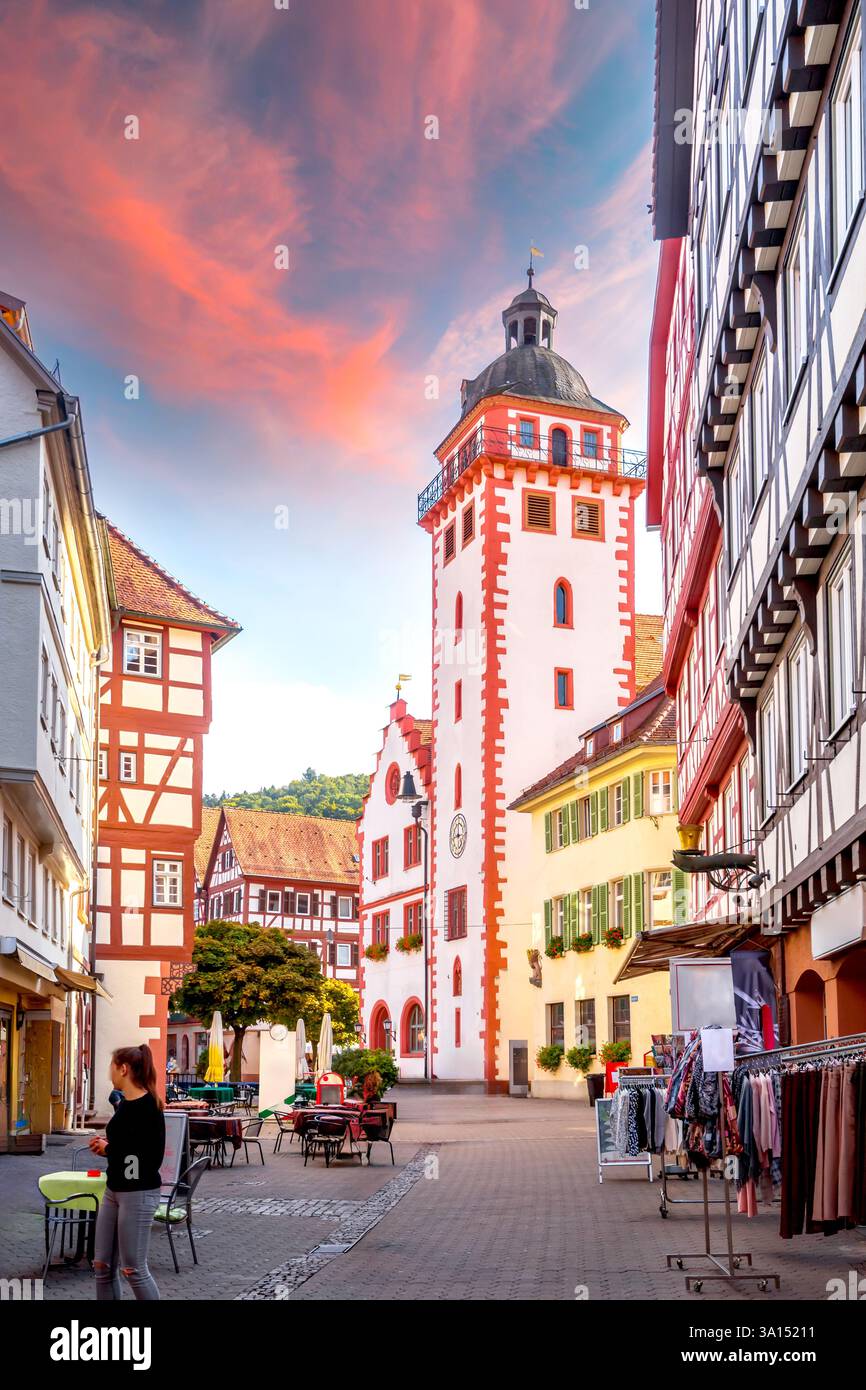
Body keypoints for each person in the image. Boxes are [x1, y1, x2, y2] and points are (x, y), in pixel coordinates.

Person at [88, 1044, 166, 1301]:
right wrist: (107, 1150)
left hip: (138, 1193)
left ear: (123, 1068)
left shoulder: (148, 1108)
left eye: (112, 1065)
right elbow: (126, 1148)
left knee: (133, 1269)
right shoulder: (124, 1104)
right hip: (114, 1190)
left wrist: (110, 1150)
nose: (109, 1071)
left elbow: (146, 1158)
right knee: (102, 1265)